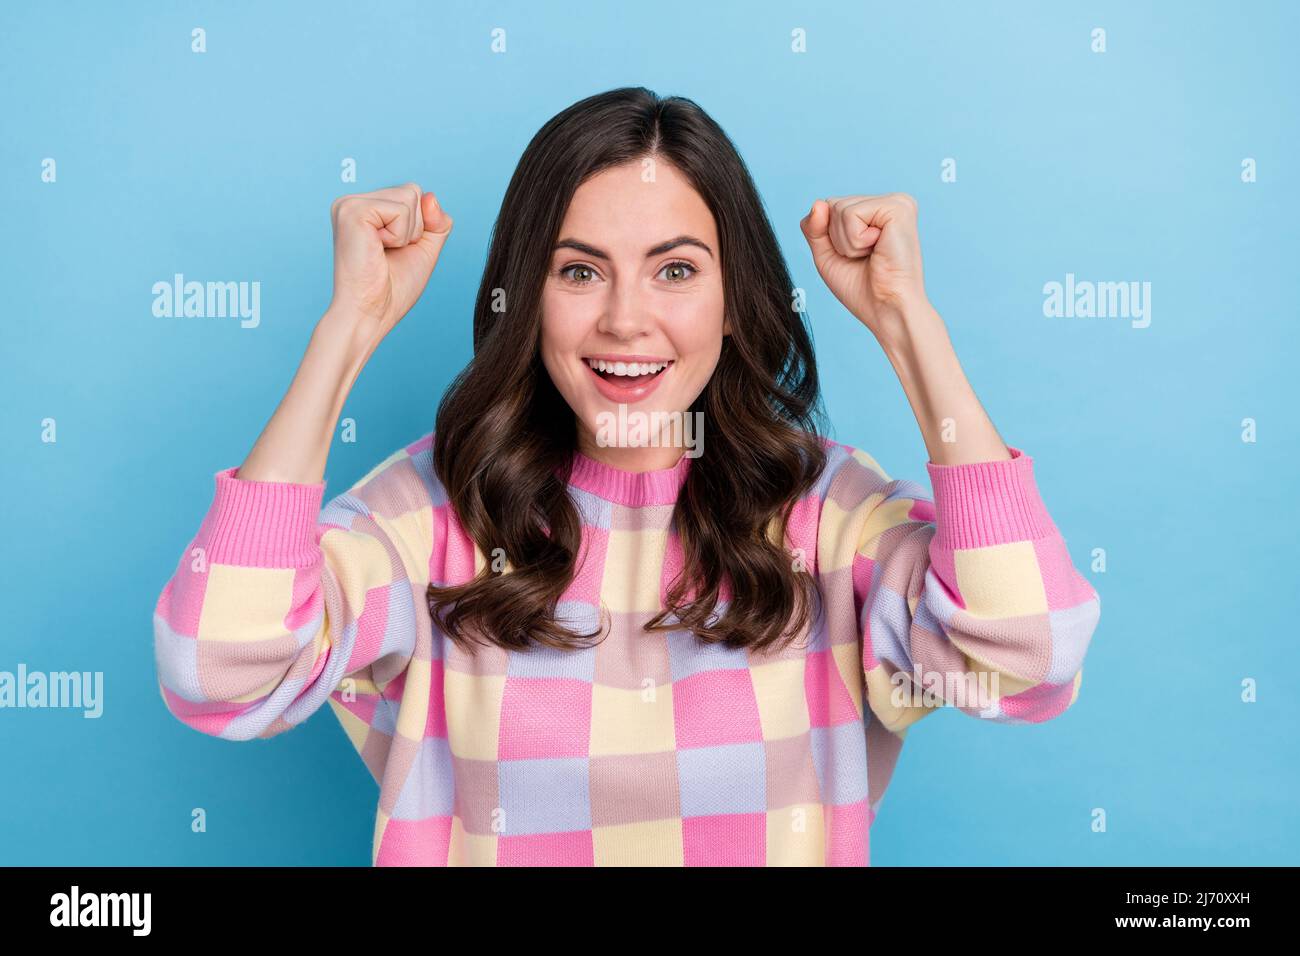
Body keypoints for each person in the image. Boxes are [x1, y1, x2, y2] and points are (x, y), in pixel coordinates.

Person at [152, 86, 1101, 866]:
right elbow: (217, 673)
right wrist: (346, 328)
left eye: (676, 271)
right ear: (528, 298)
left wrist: (907, 322)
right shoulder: (433, 513)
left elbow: (1027, 652)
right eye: (579, 272)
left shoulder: (827, 512)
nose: (625, 321)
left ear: (736, 303)